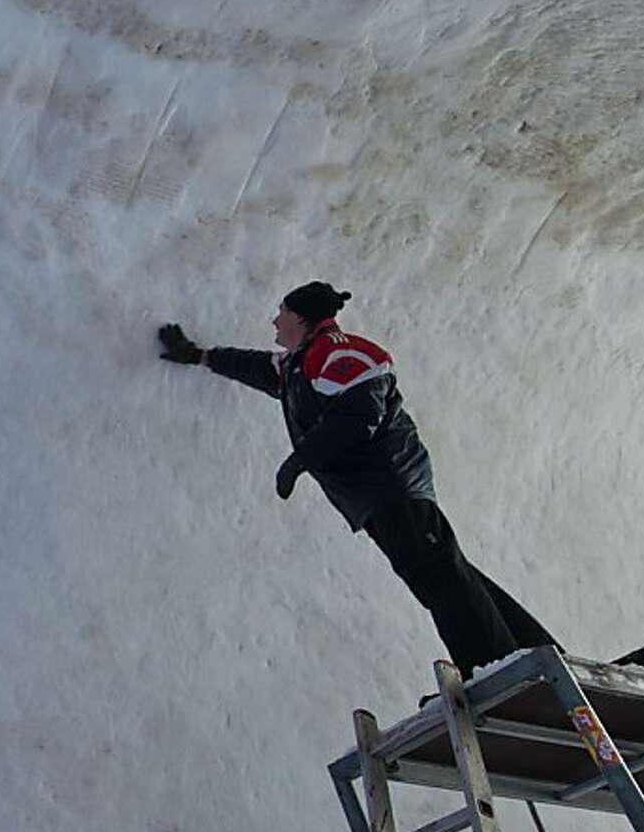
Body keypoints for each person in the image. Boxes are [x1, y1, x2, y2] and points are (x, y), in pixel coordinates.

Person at [158, 282, 554, 676]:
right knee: (447, 573)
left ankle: (496, 670)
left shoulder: (341, 352)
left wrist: (299, 461)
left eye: (280, 311)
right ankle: (535, 653)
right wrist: (198, 355)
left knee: (439, 578)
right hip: (376, 496)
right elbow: (261, 368)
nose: (273, 319)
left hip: (394, 486)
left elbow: (359, 416)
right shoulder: (302, 361)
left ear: (299, 317)